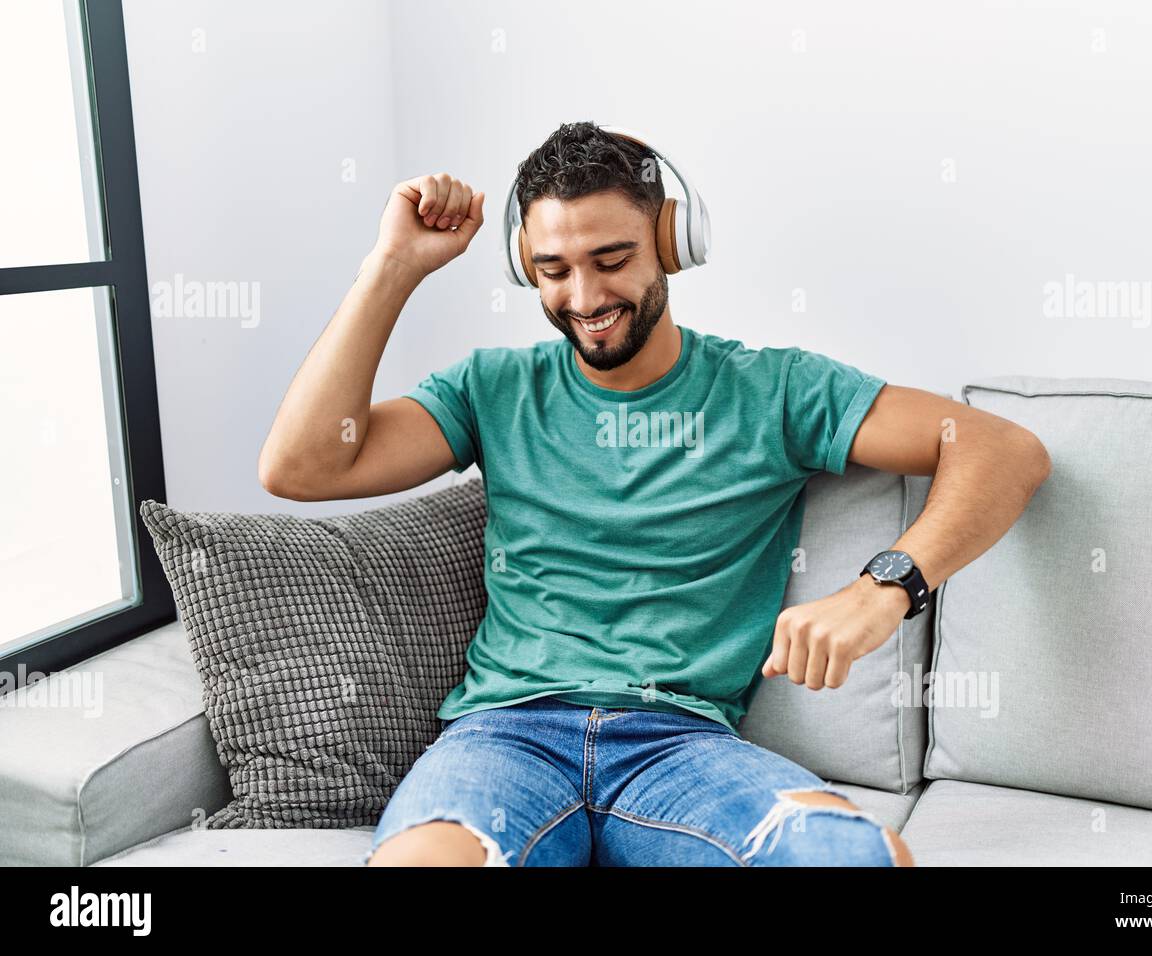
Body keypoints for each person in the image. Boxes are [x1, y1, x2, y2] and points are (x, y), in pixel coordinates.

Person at [258, 121, 1050, 867]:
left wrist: (884, 590)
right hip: (504, 738)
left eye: (611, 259)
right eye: (553, 270)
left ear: (673, 242)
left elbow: (1001, 448)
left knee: (855, 856)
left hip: (681, 747)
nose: (584, 297)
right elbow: (301, 467)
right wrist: (394, 266)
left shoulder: (770, 390)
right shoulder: (492, 390)